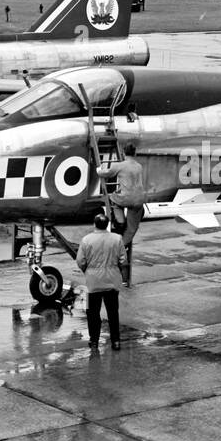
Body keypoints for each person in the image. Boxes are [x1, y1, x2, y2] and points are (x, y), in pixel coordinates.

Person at [75, 213, 127, 350]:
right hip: (112, 280)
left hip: (93, 282)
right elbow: (123, 260)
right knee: (113, 312)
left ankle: (94, 342)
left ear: (94, 224)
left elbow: (80, 261)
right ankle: (116, 341)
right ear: (107, 224)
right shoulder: (117, 239)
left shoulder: (86, 240)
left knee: (92, 313)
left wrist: (88, 270)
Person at [96, 143, 145, 285]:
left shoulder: (120, 165)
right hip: (139, 199)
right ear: (134, 153)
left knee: (113, 198)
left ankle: (120, 220)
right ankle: (122, 246)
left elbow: (104, 174)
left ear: (123, 153)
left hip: (124, 199)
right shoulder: (139, 166)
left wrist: (98, 169)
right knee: (131, 230)